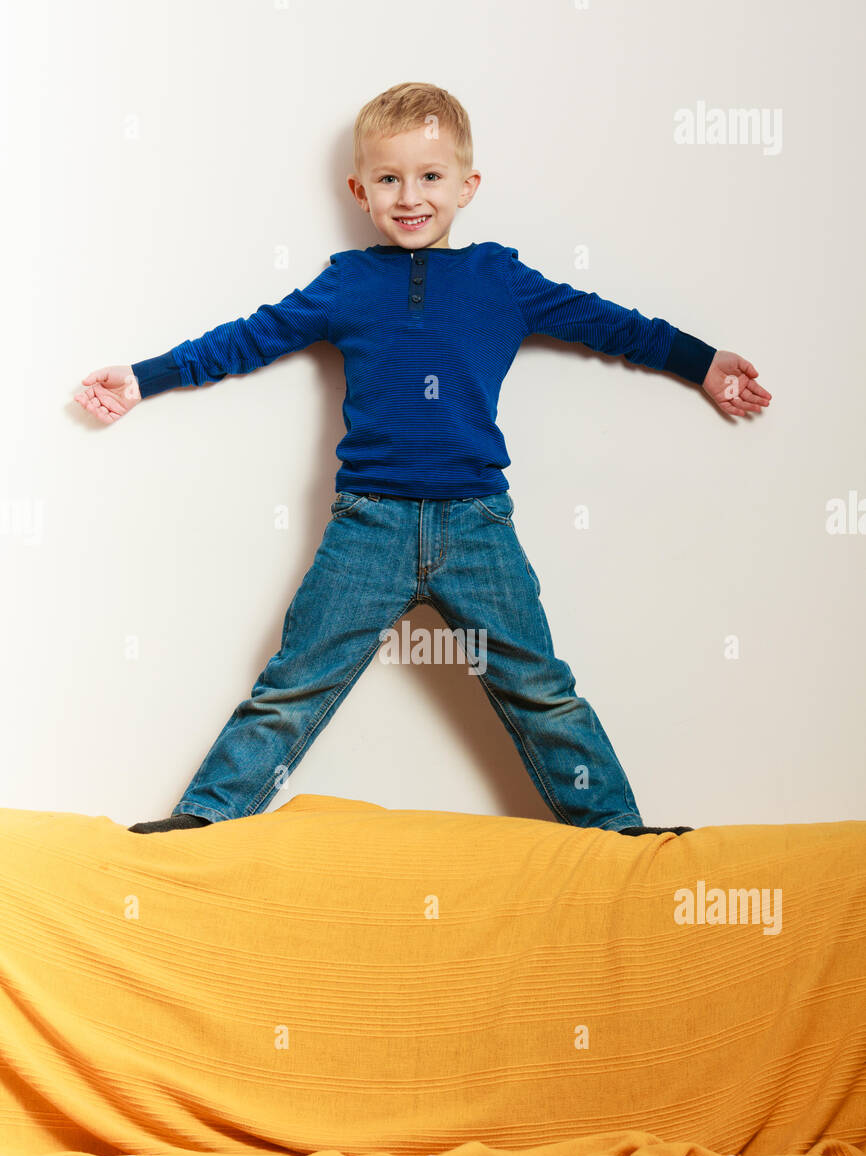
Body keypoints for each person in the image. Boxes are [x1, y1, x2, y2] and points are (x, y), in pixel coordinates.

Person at [73, 82, 771, 836]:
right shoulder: (348, 283)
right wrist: (145, 377)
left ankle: (622, 835)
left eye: (431, 177)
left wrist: (702, 362)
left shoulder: (499, 280)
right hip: (367, 527)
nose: (410, 197)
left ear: (468, 186)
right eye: (389, 179)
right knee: (293, 684)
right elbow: (248, 338)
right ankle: (202, 821)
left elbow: (606, 323)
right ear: (359, 189)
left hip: (476, 526)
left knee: (541, 688)